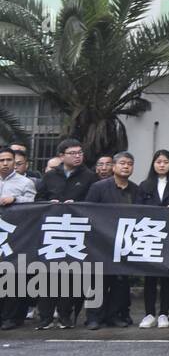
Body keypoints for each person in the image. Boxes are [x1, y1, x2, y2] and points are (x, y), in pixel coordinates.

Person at [34, 138, 97, 330]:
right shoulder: (50, 176)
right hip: (52, 231)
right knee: (47, 273)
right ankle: (45, 317)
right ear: (61, 156)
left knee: (70, 275)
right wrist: (48, 204)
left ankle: (65, 315)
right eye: (72, 153)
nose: (77, 156)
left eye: (80, 153)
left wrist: (78, 206)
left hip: (76, 232)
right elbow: (38, 199)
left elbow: (94, 203)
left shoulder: (89, 176)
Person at [84, 151, 138, 330]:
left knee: (120, 281)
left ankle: (114, 315)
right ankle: (93, 317)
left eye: (129, 164)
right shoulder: (98, 187)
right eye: (122, 163)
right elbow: (88, 212)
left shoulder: (135, 189)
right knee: (98, 280)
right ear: (114, 167)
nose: (126, 166)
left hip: (124, 242)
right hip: (101, 241)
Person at [135, 149, 169, 329]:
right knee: (150, 277)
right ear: (153, 164)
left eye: (165, 162)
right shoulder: (145, 185)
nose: (162, 165)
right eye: (158, 162)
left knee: (167, 277)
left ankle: (164, 313)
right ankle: (149, 313)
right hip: (150, 235)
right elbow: (137, 209)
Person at [0, 147, 36, 329]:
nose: (5, 163)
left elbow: (33, 205)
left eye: (8, 160)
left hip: (17, 236)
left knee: (13, 276)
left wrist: (14, 199)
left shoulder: (25, 182)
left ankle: (11, 317)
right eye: (1, 160)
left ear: (15, 162)